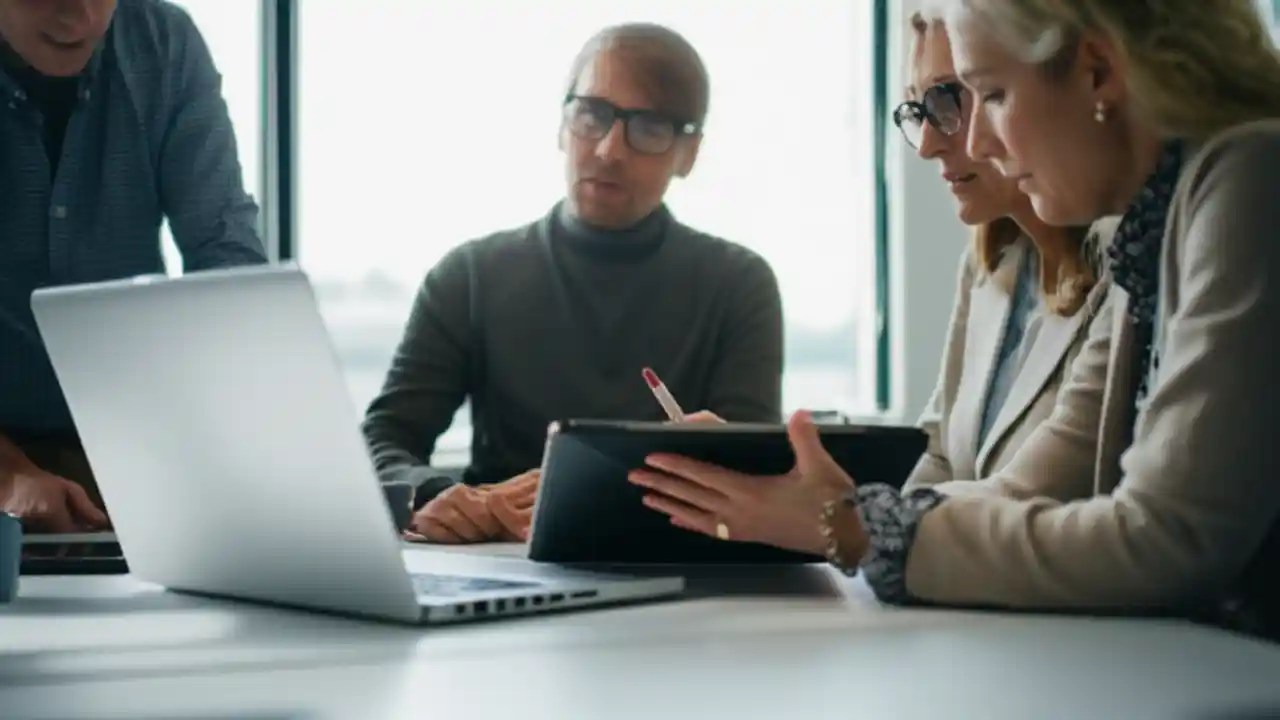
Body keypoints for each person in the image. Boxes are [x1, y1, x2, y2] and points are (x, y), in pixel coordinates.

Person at [631, 0, 1280, 638]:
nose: (977, 142)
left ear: (1097, 71)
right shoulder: (1145, 230)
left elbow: (1166, 539)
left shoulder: (1249, 175)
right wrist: (800, 503)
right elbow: (1005, 476)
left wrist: (849, 526)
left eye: (990, 95)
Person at [364, 23, 784, 545]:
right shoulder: (469, 275)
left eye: (649, 126)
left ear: (689, 153)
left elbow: (755, 481)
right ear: (562, 125)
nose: (609, 149)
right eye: (592, 114)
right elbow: (382, 441)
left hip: (672, 565)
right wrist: (436, 494)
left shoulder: (738, 285)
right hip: (500, 562)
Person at [0, 0, 266, 533]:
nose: (77, 14)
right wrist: (8, 475)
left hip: (134, 460)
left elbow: (225, 254)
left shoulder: (164, 44)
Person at [896, 12, 1112, 492]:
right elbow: (937, 457)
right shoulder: (990, 264)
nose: (927, 145)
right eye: (918, 110)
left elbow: (1040, 499)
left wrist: (841, 520)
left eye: (949, 98)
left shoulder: (1123, 262)